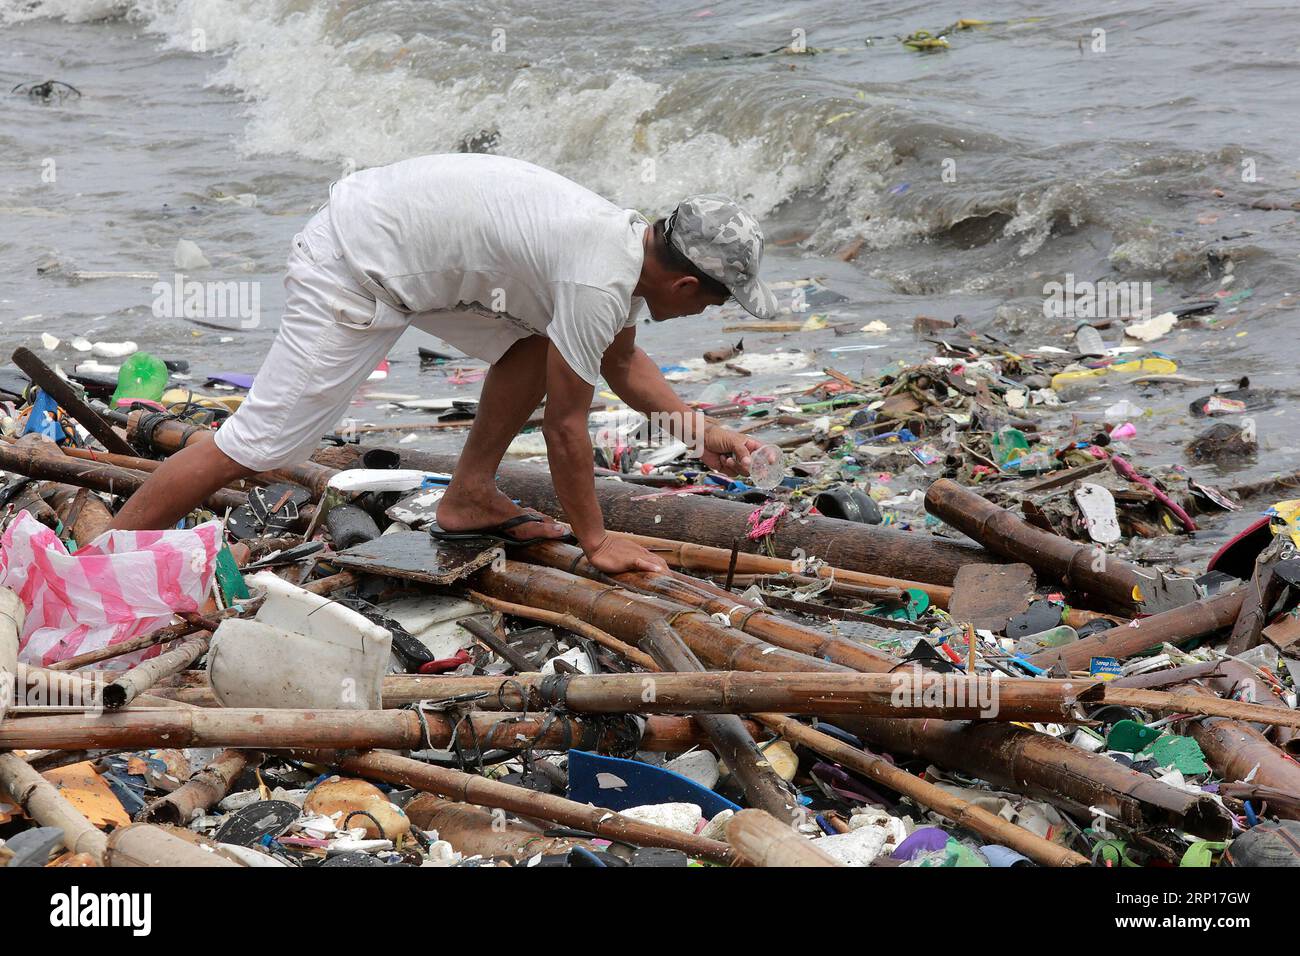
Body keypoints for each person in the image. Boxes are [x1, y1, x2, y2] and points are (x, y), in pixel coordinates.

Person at [110, 154, 779, 574]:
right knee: (255, 446)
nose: (707, 315)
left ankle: (467, 497)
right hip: (354, 263)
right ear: (686, 286)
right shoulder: (597, 279)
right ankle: (98, 558)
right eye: (715, 302)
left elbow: (622, 363)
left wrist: (701, 433)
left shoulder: (619, 252)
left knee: (532, 346)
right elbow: (566, 429)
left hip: (398, 238)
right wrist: (596, 541)